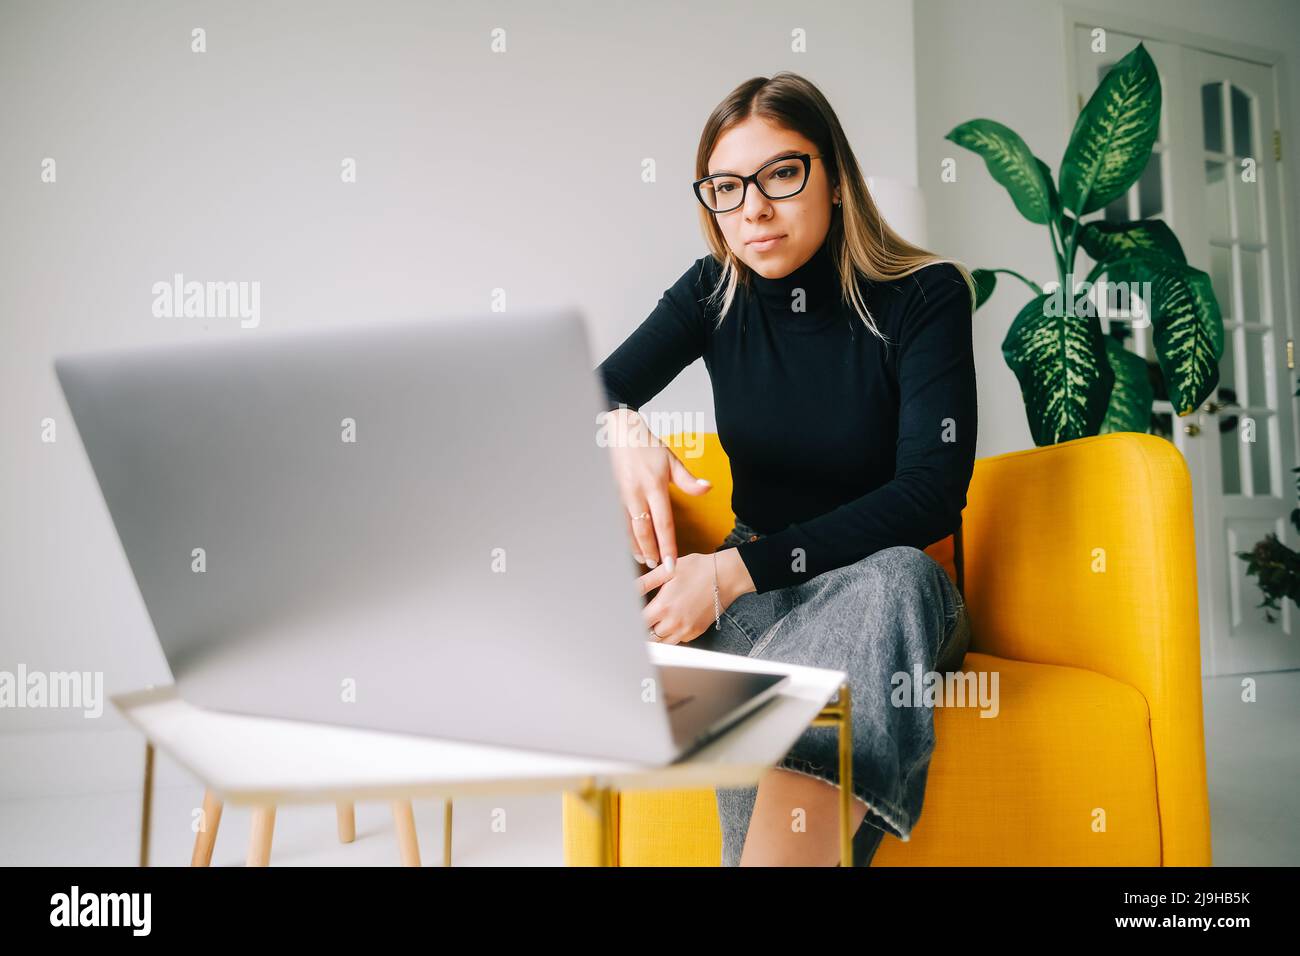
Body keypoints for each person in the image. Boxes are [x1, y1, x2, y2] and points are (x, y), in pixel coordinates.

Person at [595, 71, 977, 867]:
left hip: (888, 593)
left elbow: (930, 493)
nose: (754, 209)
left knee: (895, 578)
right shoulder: (713, 292)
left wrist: (732, 572)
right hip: (757, 600)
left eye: (782, 173)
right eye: (726, 188)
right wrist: (618, 425)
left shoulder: (924, 296)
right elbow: (583, 393)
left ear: (833, 177)